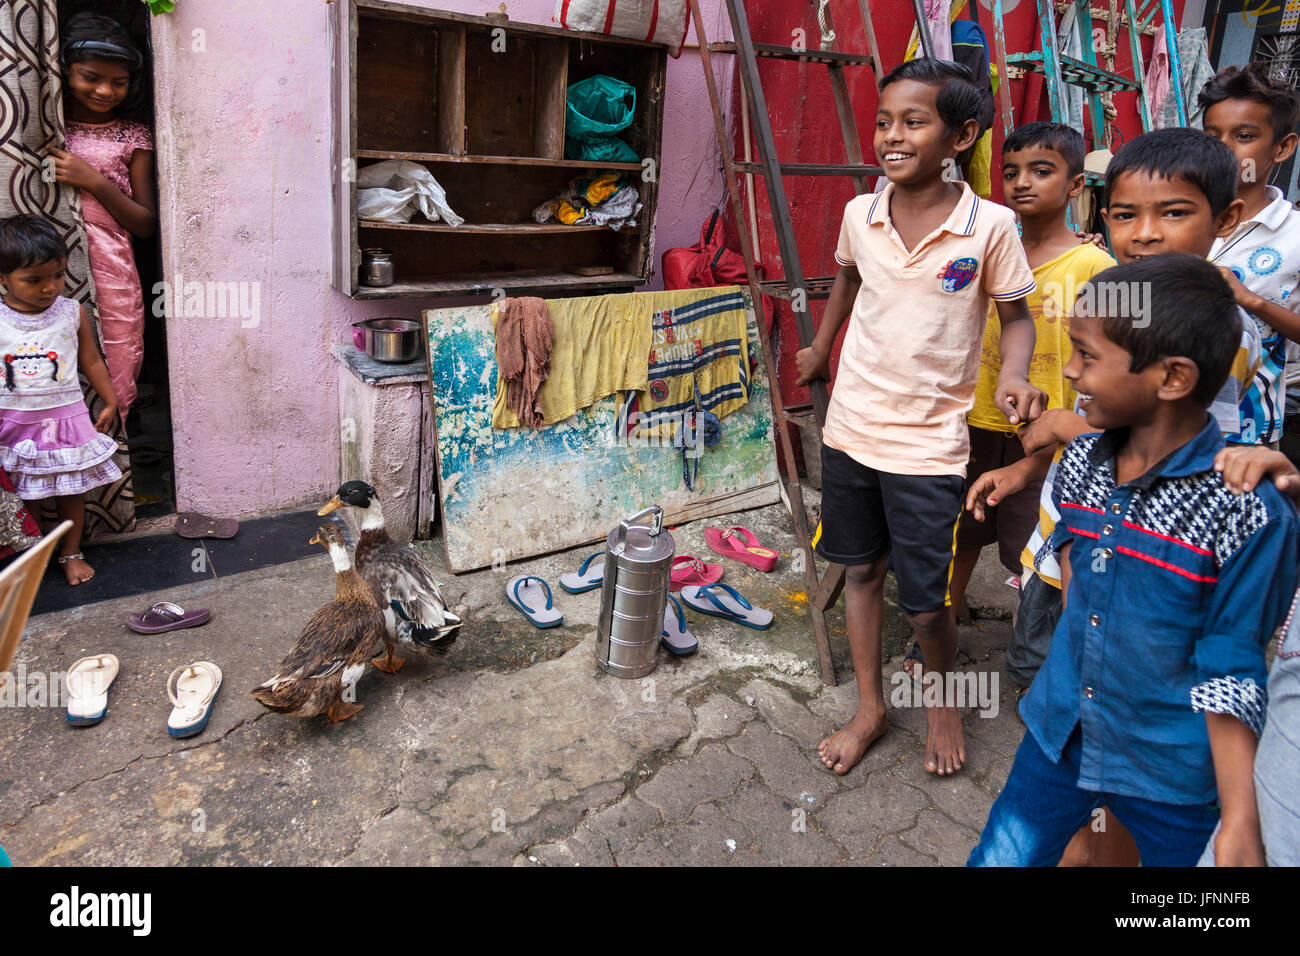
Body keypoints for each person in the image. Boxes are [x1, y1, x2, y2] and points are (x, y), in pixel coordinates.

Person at [968, 254, 1299, 866]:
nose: (1070, 372)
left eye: (1087, 356)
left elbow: (1232, 663)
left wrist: (1240, 820)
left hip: (1172, 771)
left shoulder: (1245, 511)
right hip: (1061, 733)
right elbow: (1074, 572)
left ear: (1172, 378)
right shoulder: (1080, 464)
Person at [795, 58, 1044, 777]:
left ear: (961, 135)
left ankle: (941, 699)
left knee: (930, 605)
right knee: (862, 570)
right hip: (850, 430)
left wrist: (1019, 375)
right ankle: (871, 706)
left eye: (913, 122)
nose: (891, 137)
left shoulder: (990, 225)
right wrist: (819, 347)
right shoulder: (858, 213)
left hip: (931, 445)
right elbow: (846, 277)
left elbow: (1016, 315)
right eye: (883, 122)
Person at [969, 128, 1257, 700]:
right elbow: (1098, 429)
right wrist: (1029, 470)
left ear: (1225, 220)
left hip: (1134, 561)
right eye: (1125, 215)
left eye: (1173, 213)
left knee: (1102, 683)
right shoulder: (1113, 298)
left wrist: (1057, 423)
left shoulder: (1219, 331)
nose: (1144, 234)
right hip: (1061, 537)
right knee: (1035, 671)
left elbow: (1189, 459)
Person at [948, 122, 1114, 625]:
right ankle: (943, 624)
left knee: (1035, 548)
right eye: (1011, 172)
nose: (1023, 182)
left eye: (1041, 171)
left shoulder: (1094, 265)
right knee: (959, 534)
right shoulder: (993, 251)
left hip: (1046, 431)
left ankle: (1033, 647)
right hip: (976, 416)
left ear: (1075, 185)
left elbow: (1115, 352)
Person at [0, 215, 122, 585]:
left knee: (71, 492)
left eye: (57, 275)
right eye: (34, 280)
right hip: (14, 423)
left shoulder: (72, 312)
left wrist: (110, 400)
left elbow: (90, 360)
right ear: (3, 277)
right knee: (25, 495)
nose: (49, 287)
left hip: (66, 421)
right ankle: (30, 556)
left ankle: (71, 552)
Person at [50, 12, 156, 426]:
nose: (104, 90)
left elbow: (145, 224)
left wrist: (92, 180)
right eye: (90, 77)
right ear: (64, 71)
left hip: (112, 268)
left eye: (118, 81)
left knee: (116, 361)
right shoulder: (44, 127)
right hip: (49, 264)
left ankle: (109, 475)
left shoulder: (134, 135)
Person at [1200, 63, 1300, 449]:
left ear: (1283, 147)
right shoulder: (1176, 217)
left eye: (1243, 136)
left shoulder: (1293, 235)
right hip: (1158, 424)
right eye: (1212, 135)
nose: (1224, 149)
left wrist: (1249, 300)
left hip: (1244, 435)